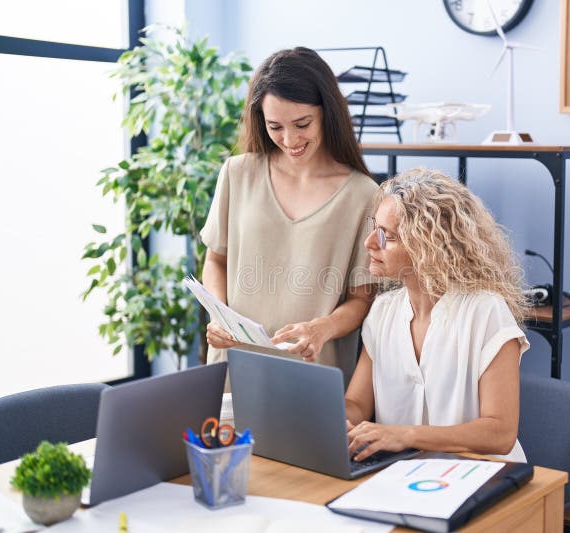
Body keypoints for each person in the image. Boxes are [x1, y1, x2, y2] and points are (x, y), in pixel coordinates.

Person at [200, 47, 377, 383]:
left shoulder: (363, 195)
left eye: (302, 124)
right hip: (232, 366)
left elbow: (361, 299)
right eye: (275, 127)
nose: (289, 139)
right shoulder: (237, 174)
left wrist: (322, 328)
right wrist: (218, 314)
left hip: (311, 372)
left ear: (327, 112)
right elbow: (215, 261)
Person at [345, 168, 531, 462]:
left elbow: (500, 433)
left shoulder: (485, 312)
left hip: (481, 475)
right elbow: (357, 402)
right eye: (374, 228)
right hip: (403, 476)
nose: (370, 243)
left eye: (387, 236)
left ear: (429, 247)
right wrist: (338, 417)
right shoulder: (382, 311)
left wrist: (404, 435)